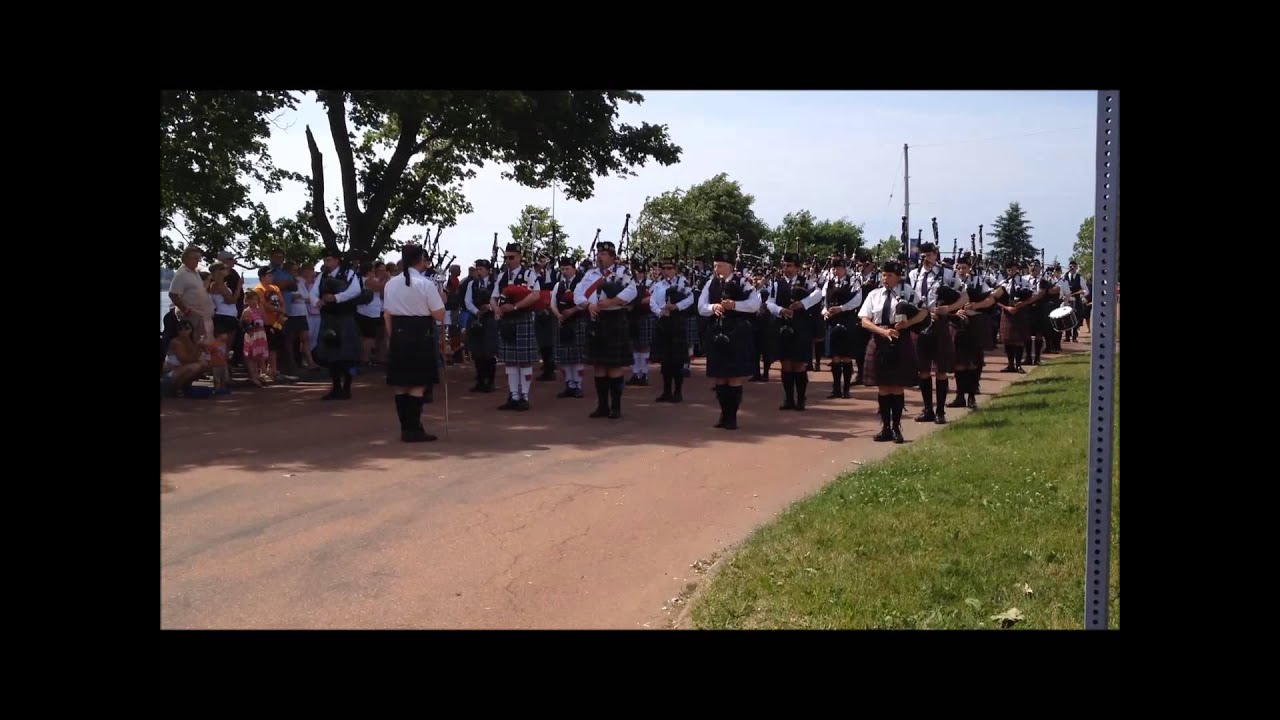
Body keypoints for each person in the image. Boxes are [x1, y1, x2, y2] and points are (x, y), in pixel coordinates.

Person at [859, 260, 929, 443]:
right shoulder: (874, 294)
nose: (885, 278)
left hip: (900, 339)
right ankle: (886, 428)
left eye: (889, 275)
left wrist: (908, 323)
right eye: (883, 274)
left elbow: (924, 312)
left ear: (898, 277)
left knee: (897, 386)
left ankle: (897, 428)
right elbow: (864, 320)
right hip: (879, 339)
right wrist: (882, 331)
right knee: (883, 387)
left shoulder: (906, 292)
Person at [383, 244, 447, 442]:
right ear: (420, 260)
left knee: (401, 385)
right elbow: (439, 314)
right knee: (417, 384)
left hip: (399, 333)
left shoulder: (391, 283)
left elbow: (387, 314)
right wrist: (443, 298)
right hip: (420, 332)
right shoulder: (426, 284)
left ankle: (407, 428)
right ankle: (414, 429)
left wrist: (392, 336)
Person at [699, 252, 760, 429]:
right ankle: (723, 414)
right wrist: (713, 307)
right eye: (715, 265)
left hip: (737, 333)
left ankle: (731, 417)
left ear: (730, 267)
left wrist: (735, 305)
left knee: (733, 376)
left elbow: (755, 304)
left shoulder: (743, 282)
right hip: (716, 331)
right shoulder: (710, 283)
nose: (716, 269)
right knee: (719, 377)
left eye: (720, 265)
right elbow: (701, 306)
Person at [575, 241, 637, 419]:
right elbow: (578, 293)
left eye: (602, 254)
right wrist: (587, 305)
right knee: (599, 366)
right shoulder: (589, 274)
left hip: (614, 319)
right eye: (598, 253)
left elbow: (632, 291)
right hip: (595, 320)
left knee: (614, 366)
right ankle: (602, 406)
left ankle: (616, 407)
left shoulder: (622, 273)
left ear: (612, 256)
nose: (598, 256)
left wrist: (612, 301)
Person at [767, 253, 824, 411]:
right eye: (784, 265)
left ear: (797, 268)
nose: (786, 269)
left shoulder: (806, 281)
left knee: (799, 364)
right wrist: (780, 310)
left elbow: (818, 294)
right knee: (786, 364)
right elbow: (769, 303)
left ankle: (801, 398)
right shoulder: (777, 284)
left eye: (790, 265)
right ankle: (789, 398)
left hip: (801, 326)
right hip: (783, 326)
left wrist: (803, 303)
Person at [492, 244, 544, 411]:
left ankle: (525, 397)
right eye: (506, 257)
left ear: (520, 257)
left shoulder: (529, 274)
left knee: (524, 360)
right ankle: (514, 396)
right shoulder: (501, 276)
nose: (508, 261)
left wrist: (515, 306)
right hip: (507, 321)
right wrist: (497, 309)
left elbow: (536, 295)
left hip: (522, 318)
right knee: (511, 361)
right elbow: (493, 297)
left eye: (511, 257)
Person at [312, 250, 365, 400]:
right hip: (329, 318)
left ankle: (347, 388)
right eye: (325, 260)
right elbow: (313, 292)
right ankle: (335, 388)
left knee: (347, 355)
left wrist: (336, 298)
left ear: (336, 260)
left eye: (329, 260)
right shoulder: (322, 276)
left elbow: (355, 291)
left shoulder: (349, 273)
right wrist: (317, 301)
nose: (326, 263)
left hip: (345, 318)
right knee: (331, 356)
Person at [650, 257, 696, 402]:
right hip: (664, 322)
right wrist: (659, 312)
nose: (667, 271)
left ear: (675, 270)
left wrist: (676, 306)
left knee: (677, 359)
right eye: (664, 268)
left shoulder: (683, 283)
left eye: (670, 268)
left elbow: (690, 298)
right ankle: (666, 391)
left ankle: (678, 391)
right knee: (665, 360)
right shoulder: (658, 285)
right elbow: (652, 301)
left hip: (677, 322)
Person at [821, 258, 865, 399]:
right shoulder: (829, 282)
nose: (835, 271)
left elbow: (857, 300)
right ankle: (835, 389)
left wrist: (841, 308)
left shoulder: (853, 281)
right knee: (835, 357)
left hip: (847, 320)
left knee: (846, 357)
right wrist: (825, 311)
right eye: (833, 268)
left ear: (845, 269)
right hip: (832, 321)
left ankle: (846, 390)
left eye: (838, 268)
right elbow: (824, 300)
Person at [550, 257, 587, 399]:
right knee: (565, 358)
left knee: (577, 357)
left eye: (567, 268)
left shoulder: (582, 284)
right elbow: (553, 303)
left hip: (577, 322)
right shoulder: (558, 285)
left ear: (574, 268)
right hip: (563, 323)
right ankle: (569, 384)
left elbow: (586, 301)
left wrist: (572, 311)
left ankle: (577, 385)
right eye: (562, 269)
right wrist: (559, 315)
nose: (564, 271)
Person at [465, 259, 498, 393]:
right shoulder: (472, 284)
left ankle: (490, 382)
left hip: (490, 319)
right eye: (477, 269)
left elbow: (498, 298)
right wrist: (477, 311)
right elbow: (467, 301)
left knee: (489, 352)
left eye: (481, 269)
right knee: (477, 352)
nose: (479, 271)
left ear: (488, 270)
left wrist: (489, 307)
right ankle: (480, 380)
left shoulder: (495, 283)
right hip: (476, 319)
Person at [168, 246, 215, 341]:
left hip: (201, 316)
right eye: (195, 258)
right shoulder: (181, 274)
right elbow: (173, 294)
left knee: (201, 343)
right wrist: (186, 310)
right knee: (193, 343)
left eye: (198, 258)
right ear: (186, 258)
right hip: (191, 316)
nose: (197, 261)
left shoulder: (194, 272)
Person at [627, 259, 654, 387]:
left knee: (644, 345)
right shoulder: (629, 283)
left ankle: (644, 373)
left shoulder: (651, 283)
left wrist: (636, 302)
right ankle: (635, 373)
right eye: (639, 271)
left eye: (643, 271)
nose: (641, 274)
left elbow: (653, 298)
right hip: (632, 316)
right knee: (634, 345)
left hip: (645, 316)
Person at [240, 291, 270, 387]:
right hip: (252, 335)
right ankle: (253, 376)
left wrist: (262, 309)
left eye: (256, 299)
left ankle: (257, 375)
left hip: (260, 335)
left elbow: (266, 321)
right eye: (252, 299)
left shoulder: (259, 310)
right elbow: (244, 325)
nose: (254, 302)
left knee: (258, 356)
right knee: (251, 357)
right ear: (247, 300)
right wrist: (251, 328)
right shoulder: (247, 311)